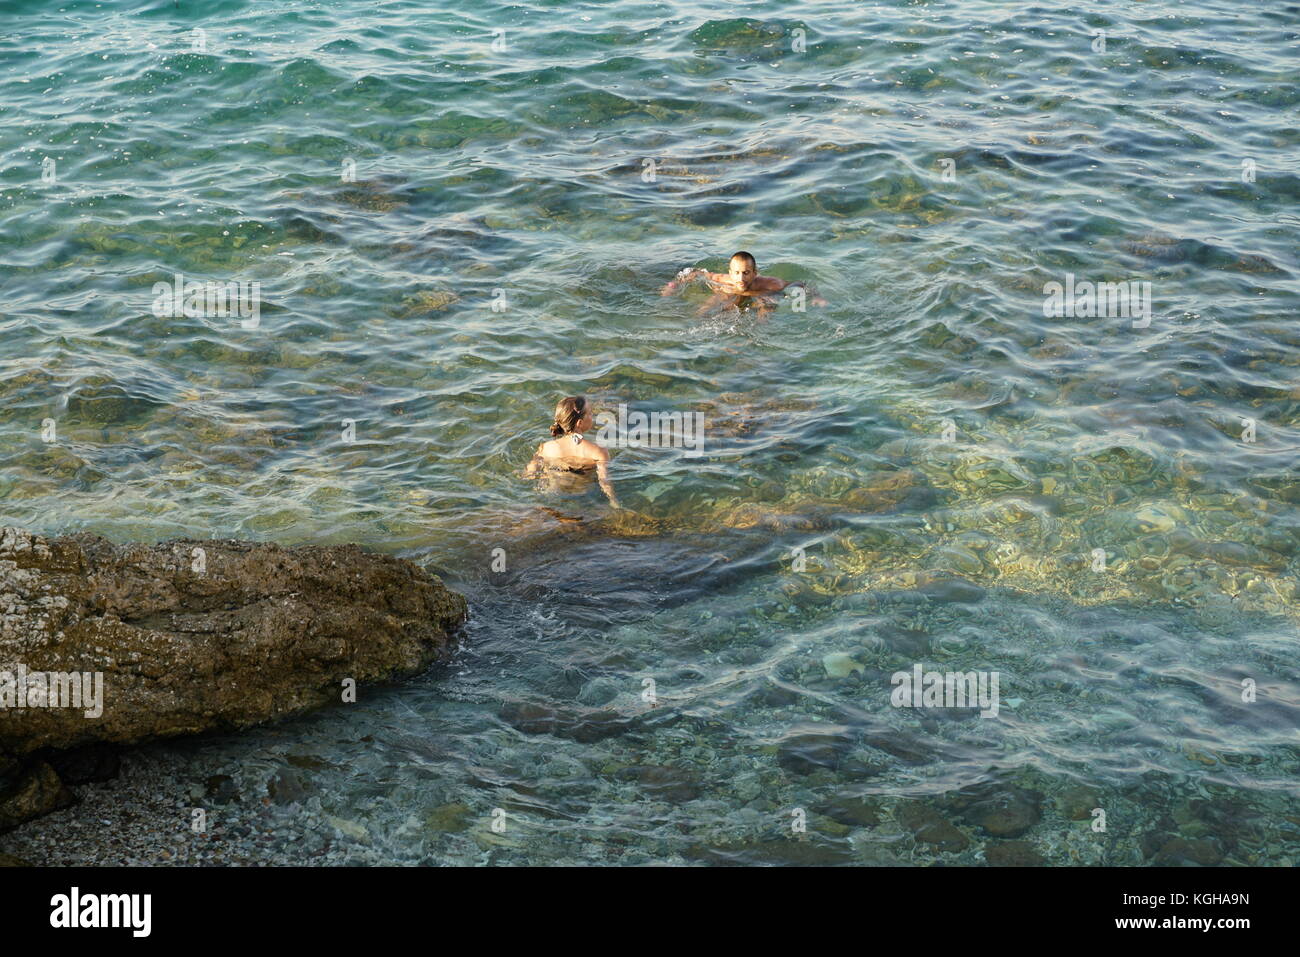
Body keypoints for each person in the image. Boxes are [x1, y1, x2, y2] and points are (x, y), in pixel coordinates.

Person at [523, 396, 620, 508]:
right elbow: (604, 480)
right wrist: (614, 501)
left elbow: (529, 474)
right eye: (590, 413)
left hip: (551, 494)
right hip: (583, 498)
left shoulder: (546, 448)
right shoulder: (598, 451)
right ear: (579, 423)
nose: (592, 416)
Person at [660, 250, 827, 315]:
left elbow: (799, 283)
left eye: (746, 273)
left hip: (760, 296)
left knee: (765, 311)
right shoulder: (723, 280)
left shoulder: (769, 283)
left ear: (755, 273)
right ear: (730, 272)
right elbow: (693, 272)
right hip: (728, 293)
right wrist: (672, 286)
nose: (740, 278)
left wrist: (816, 297)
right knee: (702, 312)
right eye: (737, 273)